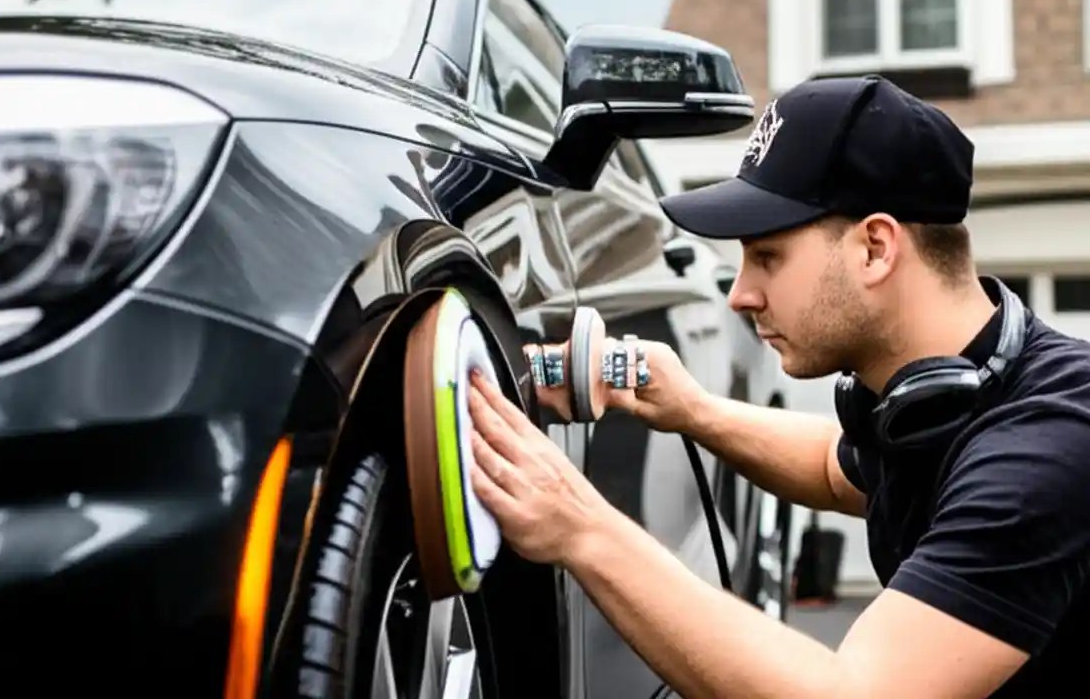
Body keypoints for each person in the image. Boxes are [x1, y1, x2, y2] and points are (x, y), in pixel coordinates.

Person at [464, 74, 1090, 698]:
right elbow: (828, 467)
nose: (739, 295)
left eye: (767, 257)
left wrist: (582, 527)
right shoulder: (949, 401)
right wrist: (691, 408)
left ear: (875, 248)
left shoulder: (1044, 451)